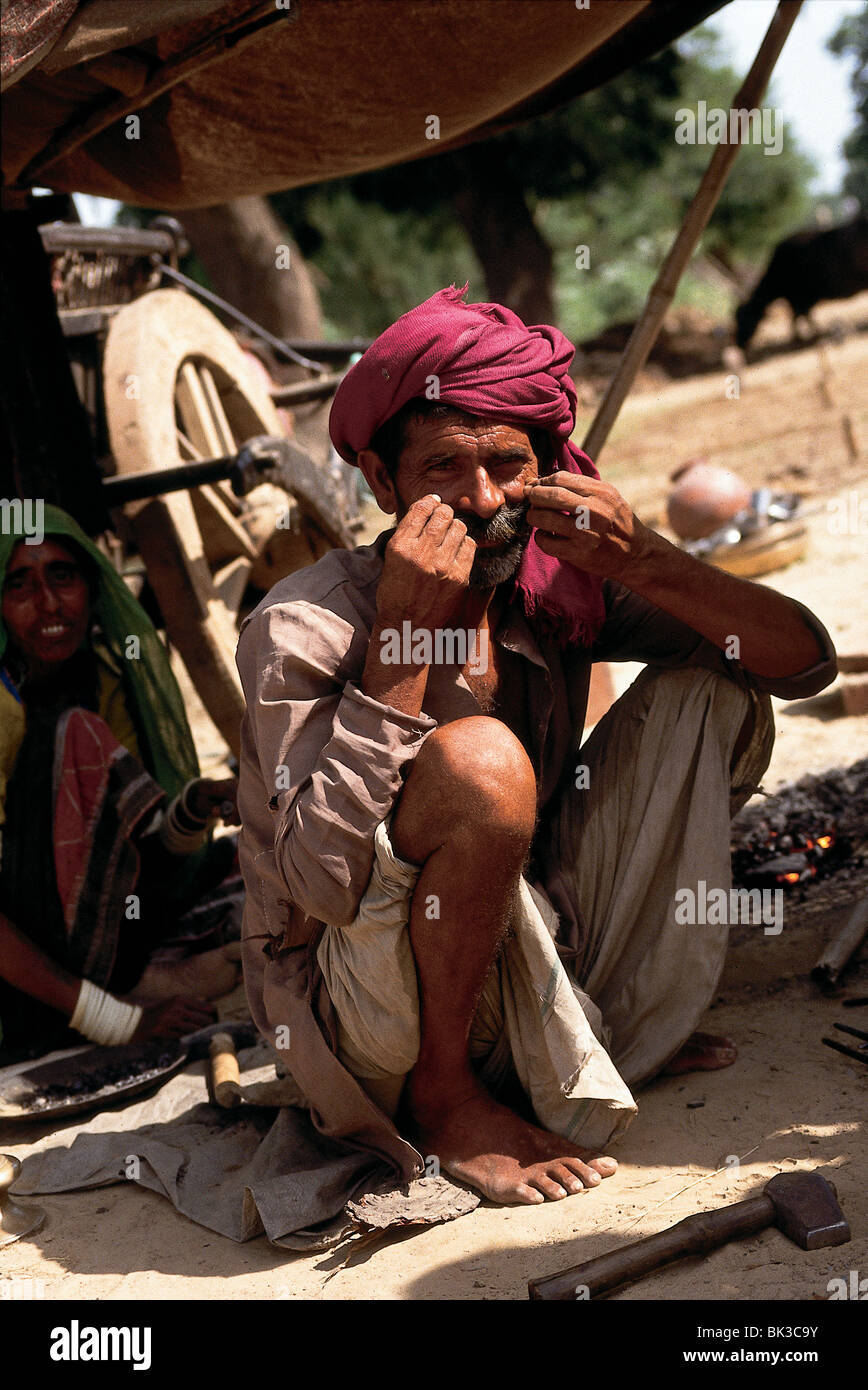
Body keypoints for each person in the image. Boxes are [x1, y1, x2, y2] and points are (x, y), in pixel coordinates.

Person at [236, 285, 836, 1207]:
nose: (481, 501)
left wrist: (643, 561)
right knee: (480, 765)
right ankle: (446, 1097)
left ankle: (592, 1035)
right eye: (441, 470)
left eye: (508, 465)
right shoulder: (305, 624)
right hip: (366, 1007)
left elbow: (803, 664)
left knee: (711, 687)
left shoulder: (559, 587)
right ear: (379, 482)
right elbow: (320, 887)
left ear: (549, 467)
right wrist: (399, 642)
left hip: (522, 938)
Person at [0, 504, 241, 1062]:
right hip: (26, 966)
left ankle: (138, 973)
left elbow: (133, 848)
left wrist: (191, 812)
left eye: (62, 576)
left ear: (91, 584)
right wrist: (117, 1023)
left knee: (254, 859)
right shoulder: (5, 703)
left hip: (105, 924)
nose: (50, 605)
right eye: (20, 585)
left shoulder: (110, 671)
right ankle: (114, 990)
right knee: (75, 735)